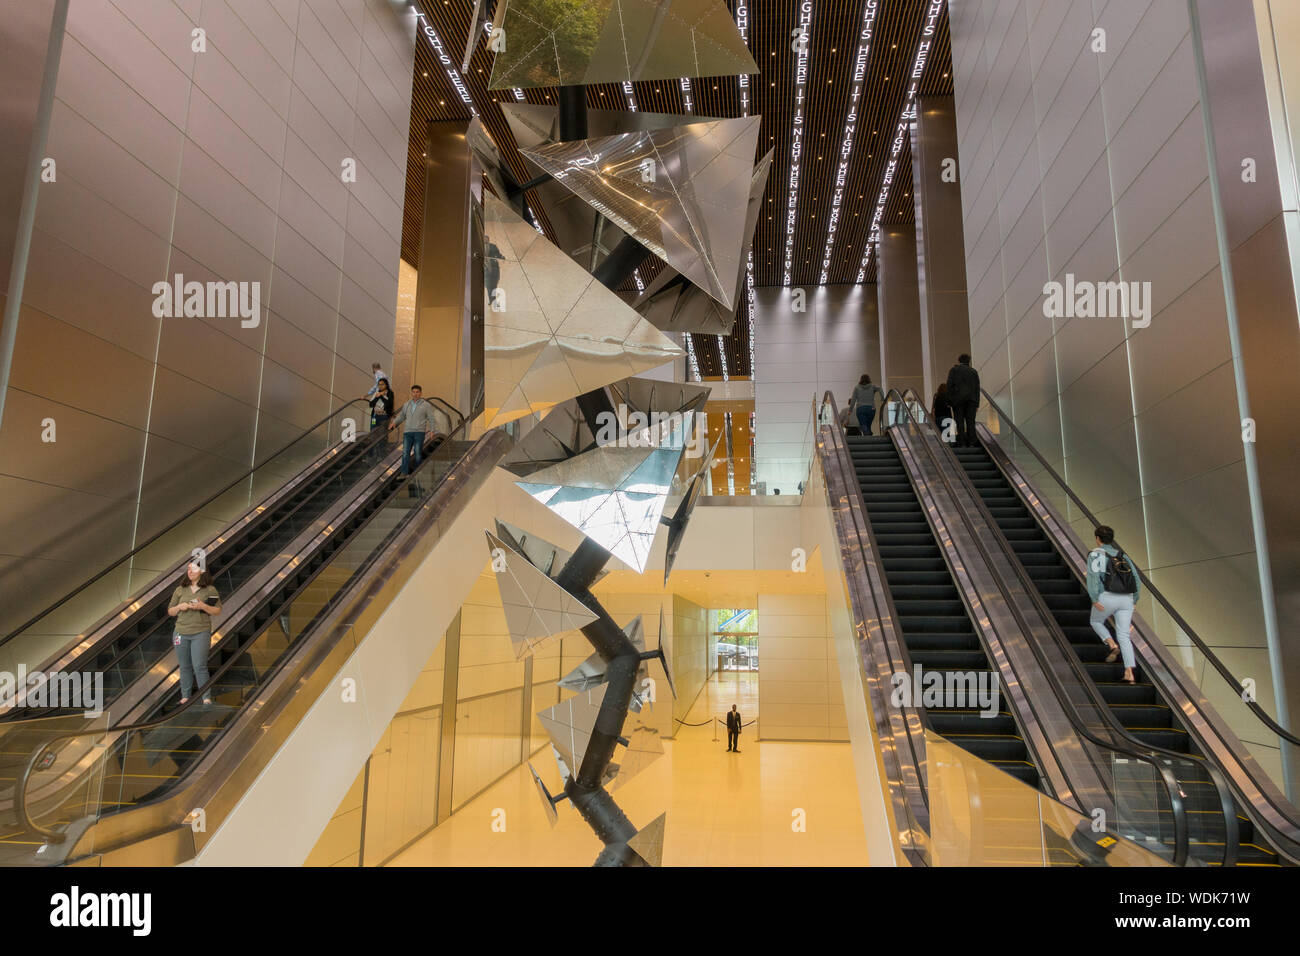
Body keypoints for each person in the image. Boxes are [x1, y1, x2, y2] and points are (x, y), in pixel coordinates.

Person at [1086, 525, 1141, 685]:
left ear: (1098, 539)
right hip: (1127, 598)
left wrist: (1095, 598)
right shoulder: (1122, 555)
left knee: (1095, 621)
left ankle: (1111, 643)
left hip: (1107, 596)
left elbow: (1093, 577)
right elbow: (1136, 579)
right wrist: (1135, 599)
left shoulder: (1096, 554)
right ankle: (1129, 672)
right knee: (1124, 635)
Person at [167, 561, 221, 705]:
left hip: (200, 632)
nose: (190, 572)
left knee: (199, 666)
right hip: (180, 633)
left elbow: (217, 610)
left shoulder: (210, 590)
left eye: (193, 569)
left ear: (202, 571)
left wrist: (202, 606)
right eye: (188, 569)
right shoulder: (180, 590)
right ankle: (185, 696)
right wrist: (180, 606)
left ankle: (206, 697)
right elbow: (170, 611)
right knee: (184, 666)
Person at [388, 384, 449, 475]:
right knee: (405, 453)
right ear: (411, 393)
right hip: (408, 432)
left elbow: (431, 418)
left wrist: (432, 430)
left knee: (417, 453)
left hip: (419, 433)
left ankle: (417, 473)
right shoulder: (407, 404)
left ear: (420, 393)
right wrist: (394, 423)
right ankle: (404, 473)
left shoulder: (426, 405)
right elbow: (402, 416)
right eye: (413, 392)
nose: (415, 394)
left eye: (417, 392)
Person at [945, 354, 980, 448]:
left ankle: (962, 442)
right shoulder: (974, 372)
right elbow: (977, 389)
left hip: (958, 401)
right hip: (971, 401)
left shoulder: (954, 370)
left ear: (959, 360)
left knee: (959, 422)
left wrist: (949, 401)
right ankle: (972, 442)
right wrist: (977, 403)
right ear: (969, 361)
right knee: (970, 421)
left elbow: (949, 386)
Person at [366, 377, 394, 460]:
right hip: (375, 417)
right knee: (373, 436)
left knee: (382, 436)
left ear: (386, 385)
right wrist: (377, 396)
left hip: (384, 417)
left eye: (382, 384)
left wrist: (382, 396)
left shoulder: (389, 393)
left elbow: (388, 404)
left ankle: (382, 455)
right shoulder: (376, 393)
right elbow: (371, 404)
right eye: (379, 384)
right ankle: (373, 455)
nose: (380, 386)